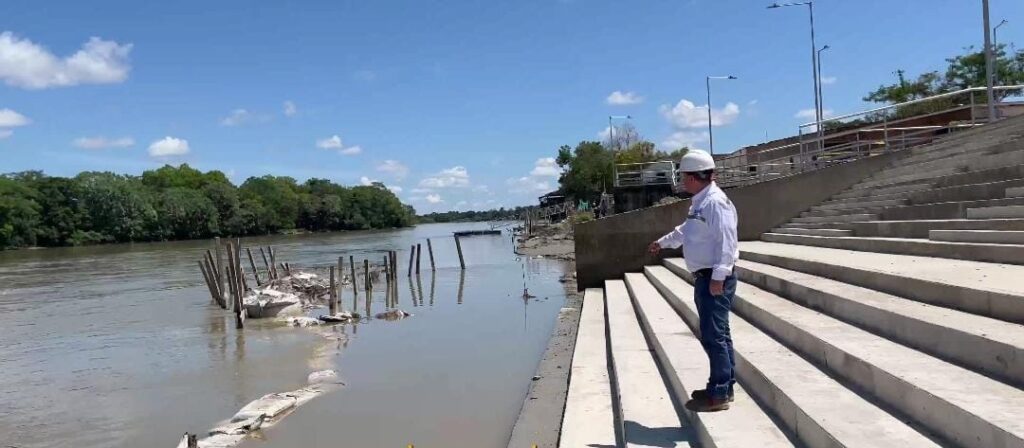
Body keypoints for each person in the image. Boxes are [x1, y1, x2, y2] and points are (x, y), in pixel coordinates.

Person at [647, 149, 738, 412]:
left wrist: (719, 277)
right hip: (705, 276)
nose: (682, 181)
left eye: (683, 176)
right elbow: (686, 231)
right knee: (719, 334)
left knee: (714, 336)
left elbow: (727, 242)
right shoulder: (700, 202)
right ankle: (723, 386)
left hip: (713, 277)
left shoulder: (715, 203)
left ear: (692, 177)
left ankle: (719, 393)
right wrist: (663, 242)